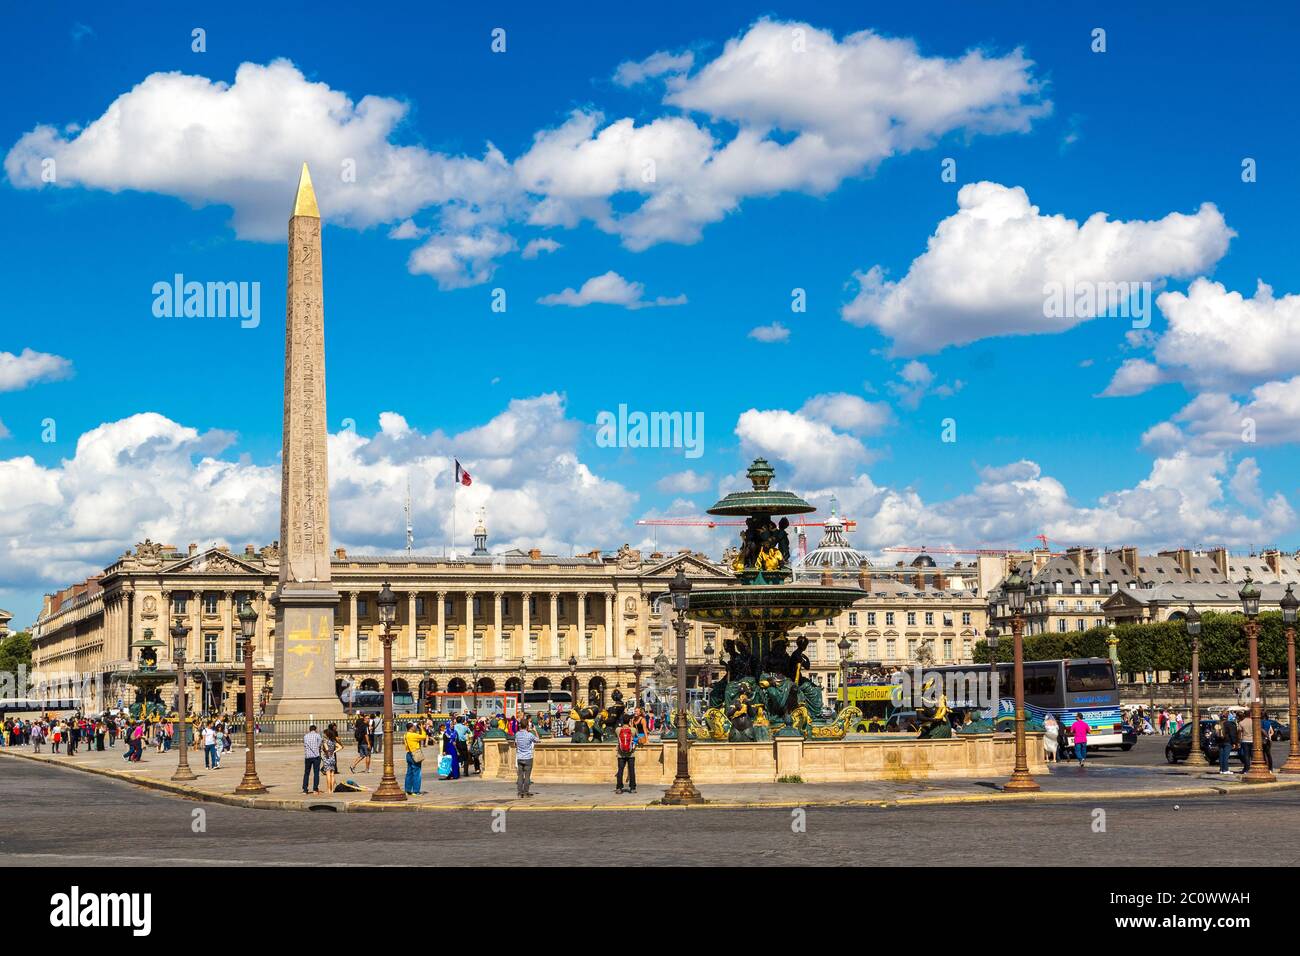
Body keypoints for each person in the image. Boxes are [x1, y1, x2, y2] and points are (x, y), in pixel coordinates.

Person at [515, 716, 539, 798]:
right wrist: (535, 731)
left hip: (520, 757)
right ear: (527, 726)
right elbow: (538, 740)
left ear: (520, 726)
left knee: (520, 775)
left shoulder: (517, 734)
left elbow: (516, 744)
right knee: (527, 776)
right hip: (528, 757)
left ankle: (520, 792)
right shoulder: (529, 735)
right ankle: (526, 792)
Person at [404, 721, 428, 795]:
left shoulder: (406, 734)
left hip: (408, 754)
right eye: (414, 726)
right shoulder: (413, 735)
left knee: (409, 773)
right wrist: (422, 728)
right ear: (411, 728)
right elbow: (424, 736)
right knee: (417, 773)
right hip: (415, 754)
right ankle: (416, 791)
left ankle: (408, 789)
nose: (415, 727)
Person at [615, 717, 637, 794]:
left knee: (620, 770)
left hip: (620, 754)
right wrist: (631, 725)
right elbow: (636, 738)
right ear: (629, 721)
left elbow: (617, 737)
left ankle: (619, 788)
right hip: (631, 754)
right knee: (631, 770)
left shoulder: (618, 730)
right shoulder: (633, 729)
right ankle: (632, 788)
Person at [302, 724, 323, 794]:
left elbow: (305, 745)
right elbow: (320, 745)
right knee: (316, 773)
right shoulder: (318, 735)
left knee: (306, 773)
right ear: (315, 729)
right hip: (316, 756)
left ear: (309, 729)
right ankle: (315, 789)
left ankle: (305, 789)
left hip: (308, 756)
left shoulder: (305, 736)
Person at [321, 724, 340, 794]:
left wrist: (326, 751)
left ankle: (329, 789)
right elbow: (340, 747)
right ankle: (332, 790)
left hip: (327, 758)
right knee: (332, 774)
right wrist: (334, 751)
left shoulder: (325, 741)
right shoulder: (333, 741)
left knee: (328, 774)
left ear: (327, 734)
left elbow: (326, 749)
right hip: (332, 758)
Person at [1218, 710, 1238, 775]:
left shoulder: (1218, 723)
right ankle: (1225, 769)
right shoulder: (1229, 724)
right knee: (1226, 756)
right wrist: (1234, 742)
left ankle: (1221, 769)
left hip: (1220, 741)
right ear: (1227, 716)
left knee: (1221, 756)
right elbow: (1232, 734)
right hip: (1227, 741)